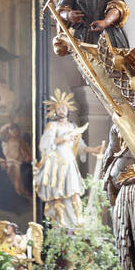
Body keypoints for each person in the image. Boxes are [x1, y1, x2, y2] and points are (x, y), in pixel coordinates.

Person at [34, 92, 98, 228]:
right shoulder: (52, 126)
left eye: (63, 108)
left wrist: (93, 150)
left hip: (69, 161)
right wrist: (63, 139)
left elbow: (80, 146)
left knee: (73, 190)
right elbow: (45, 144)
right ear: (55, 111)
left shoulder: (72, 126)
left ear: (68, 109)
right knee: (58, 192)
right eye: (58, 108)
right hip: (57, 163)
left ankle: (78, 219)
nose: (61, 110)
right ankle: (61, 221)